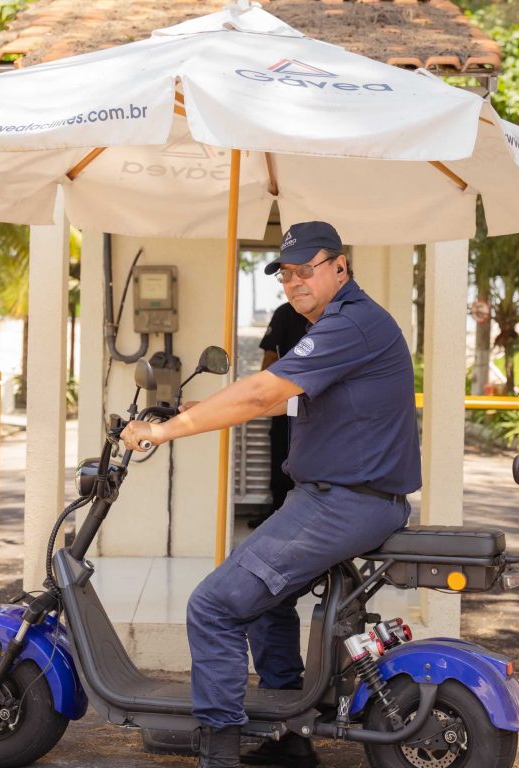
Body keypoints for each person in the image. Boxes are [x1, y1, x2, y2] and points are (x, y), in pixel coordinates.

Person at [122, 221, 422, 768]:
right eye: (285, 274)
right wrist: (195, 410)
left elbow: (262, 392)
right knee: (264, 601)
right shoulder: (338, 323)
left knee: (213, 605)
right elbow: (289, 397)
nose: (294, 281)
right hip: (339, 499)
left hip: (344, 503)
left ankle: (219, 751)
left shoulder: (349, 324)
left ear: (340, 266)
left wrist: (164, 432)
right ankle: (289, 738)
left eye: (306, 269)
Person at [248, 302, 309, 529]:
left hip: (308, 400)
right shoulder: (286, 313)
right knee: (283, 453)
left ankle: (288, 516)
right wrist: (262, 395)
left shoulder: (336, 318)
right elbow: (271, 356)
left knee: (291, 455)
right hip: (289, 399)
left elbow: (270, 358)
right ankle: (279, 513)